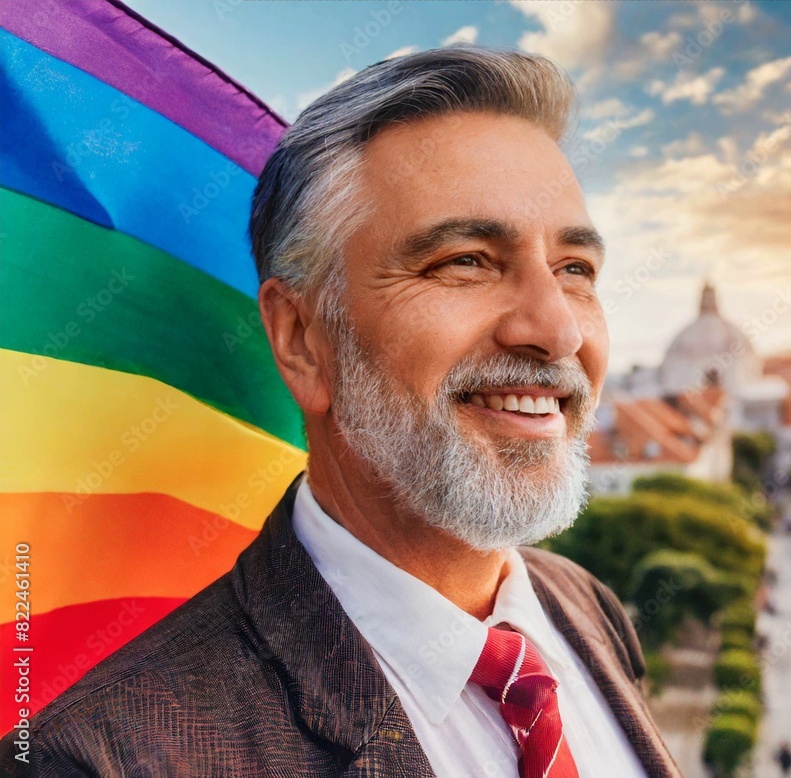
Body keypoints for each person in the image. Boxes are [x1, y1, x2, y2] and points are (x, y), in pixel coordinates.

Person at [0, 48, 680, 776]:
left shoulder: (584, 607)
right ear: (301, 340)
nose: (558, 331)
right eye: (466, 260)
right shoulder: (105, 757)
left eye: (574, 269)